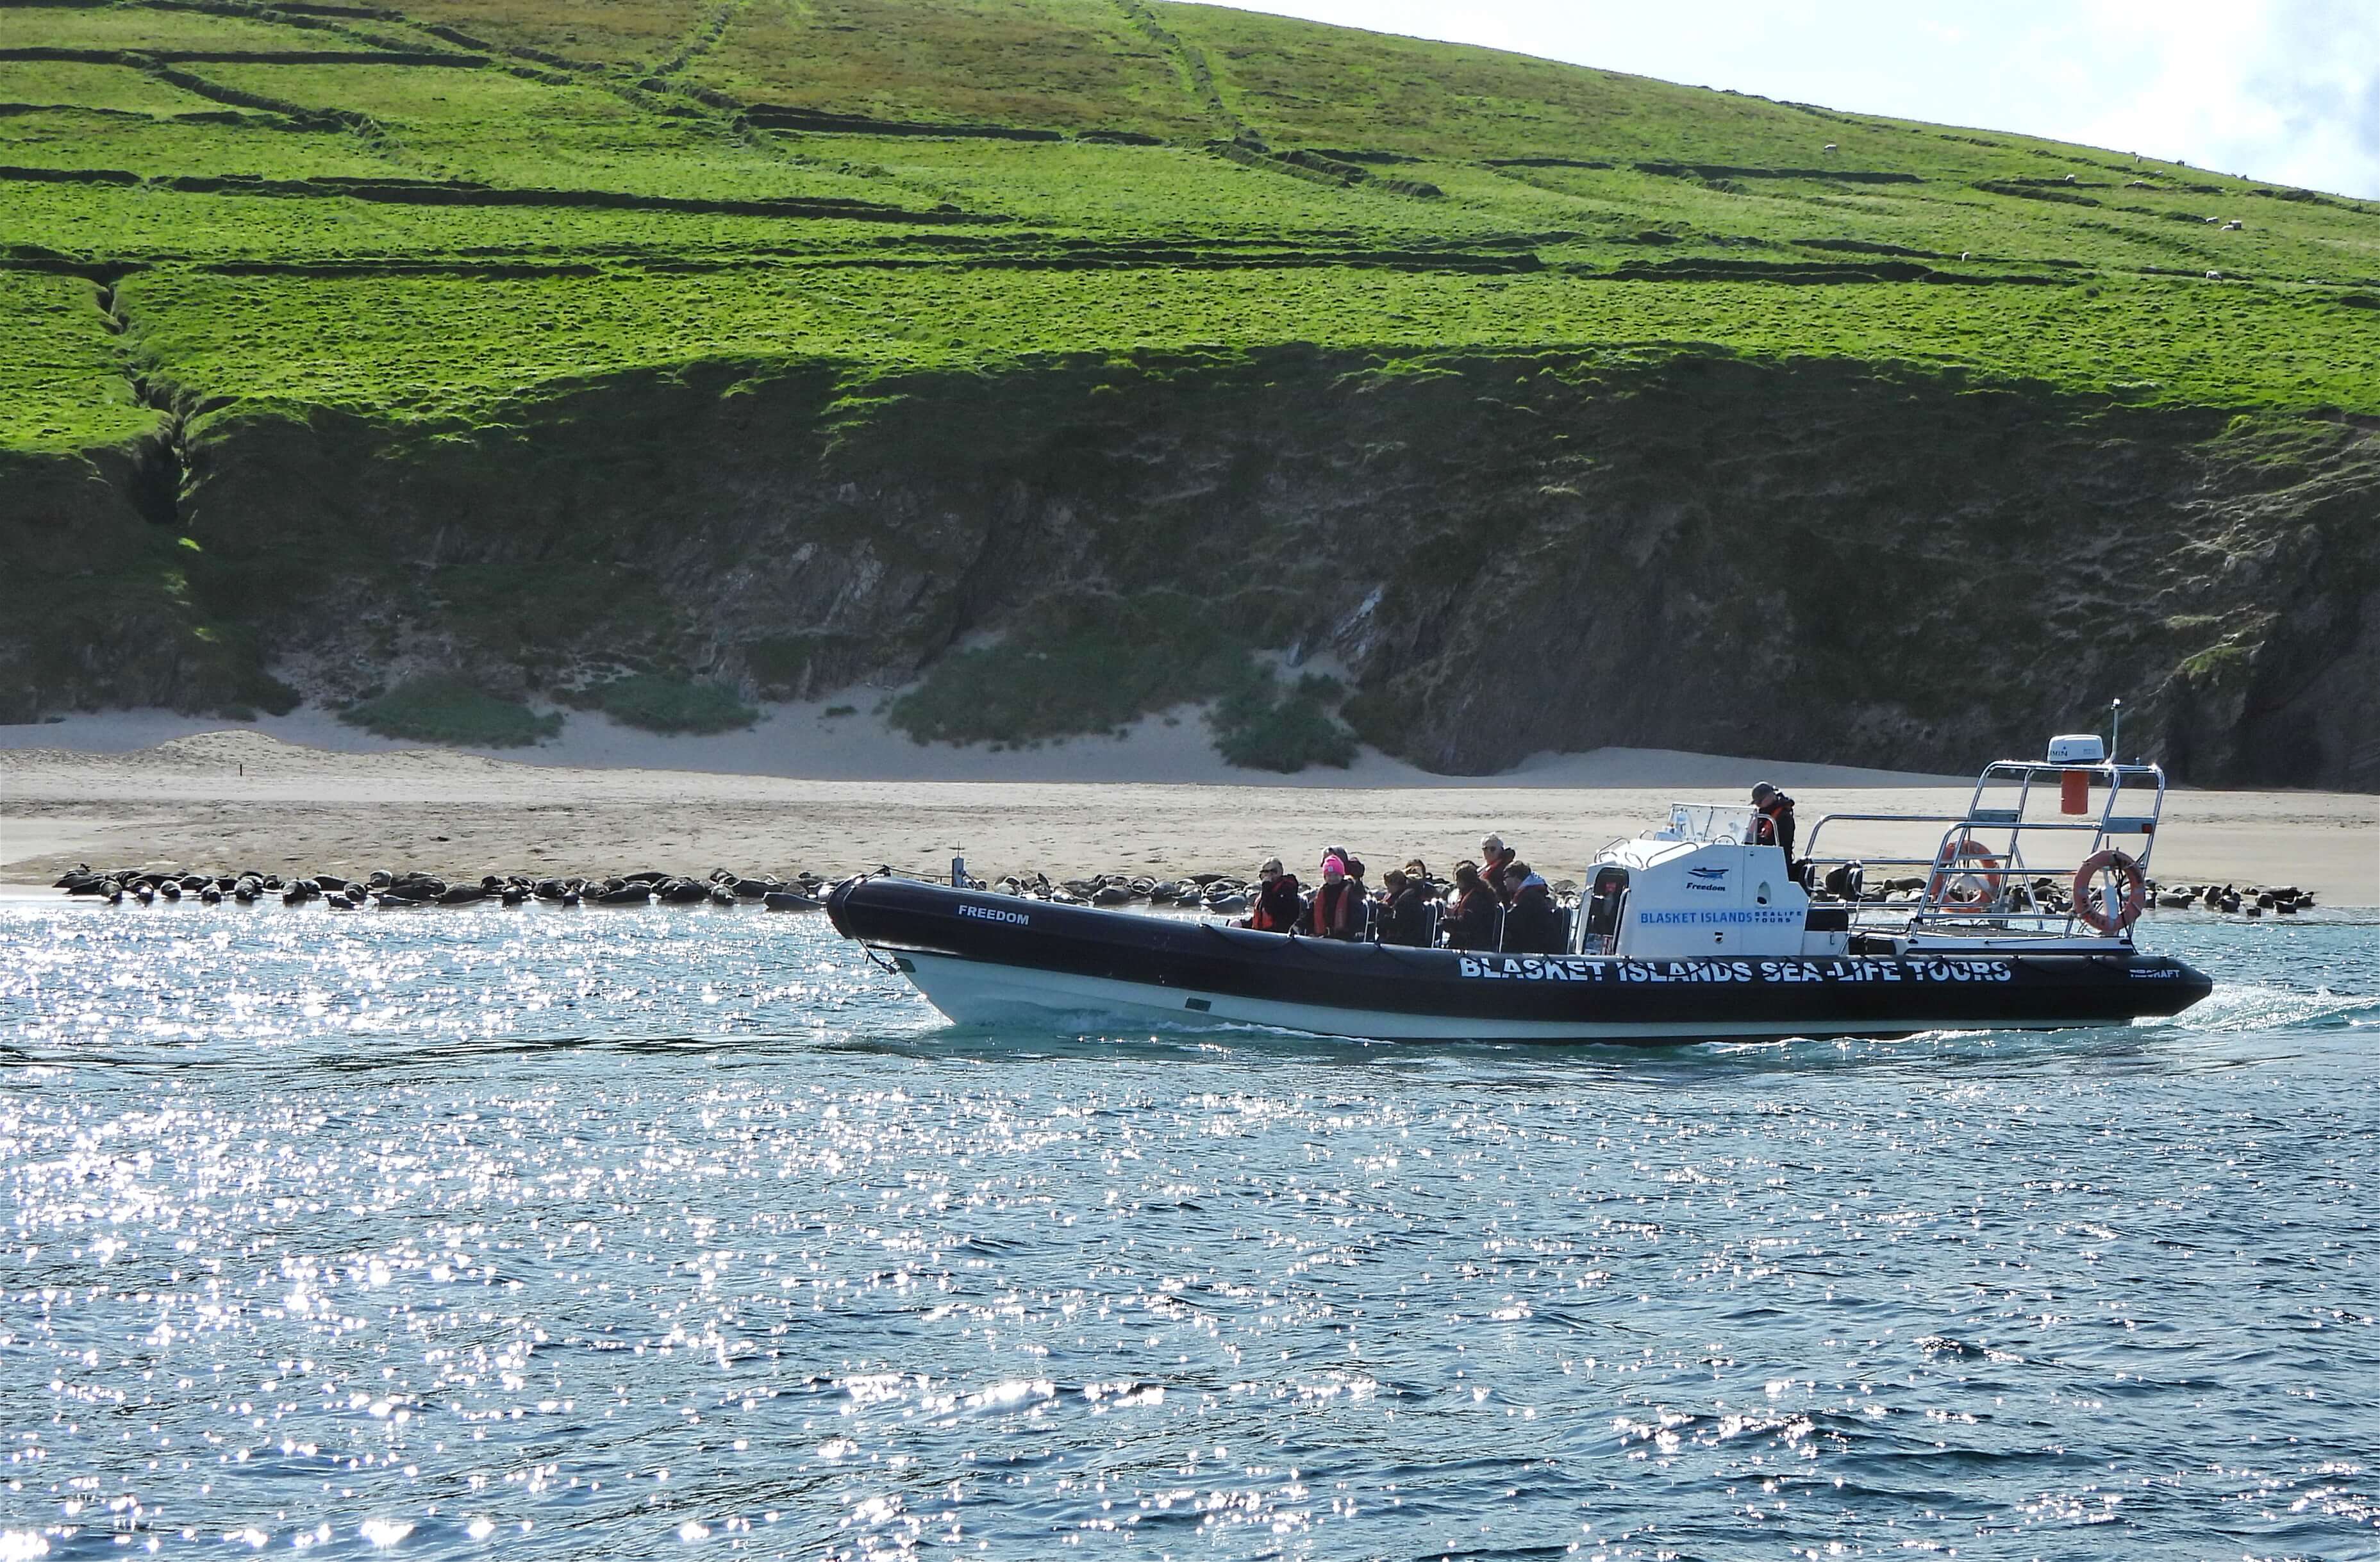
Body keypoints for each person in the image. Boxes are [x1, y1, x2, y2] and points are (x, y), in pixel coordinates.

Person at [1499, 861, 1566, 954]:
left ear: (1515, 878)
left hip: (1540, 950)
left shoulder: (1529, 897)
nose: (1504, 883)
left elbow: (1511, 921)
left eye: (1506, 878)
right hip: (1538, 945)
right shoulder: (1533, 893)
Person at [1439, 861, 1501, 950]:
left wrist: (1446, 922)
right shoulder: (1477, 893)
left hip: (1472, 943)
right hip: (1471, 939)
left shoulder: (1476, 899)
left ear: (1463, 881)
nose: (1456, 884)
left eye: (1457, 881)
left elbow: (1467, 923)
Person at [1302, 854, 1363, 940]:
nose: (1332, 878)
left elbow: (1357, 913)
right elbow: (1309, 914)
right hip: (1322, 937)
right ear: (1325, 877)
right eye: (1329, 875)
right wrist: (1303, 927)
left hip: (1343, 937)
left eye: (1336, 875)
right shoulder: (1322, 892)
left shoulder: (1350, 893)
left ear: (1342, 875)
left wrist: (1356, 930)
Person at [1377, 868, 1432, 947]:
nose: (1388, 890)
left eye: (1389, 887)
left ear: (1395, 884)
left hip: (1405, 941)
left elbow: (1399, 922)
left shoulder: (1404, 900)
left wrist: (1384, 916)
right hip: (1411, 939)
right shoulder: (1408, 896)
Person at [1247, 857, 1303, 933]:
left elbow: (1271, 909)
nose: (1269, 875)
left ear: (1281, 872)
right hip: (1262, 933)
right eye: (1265, 872)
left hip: (1279, 935)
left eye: (1273, 871)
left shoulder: (1287, 890)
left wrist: (1266, 885)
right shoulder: (1267, 891)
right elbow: (1259, 916)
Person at [1750, 781, 1798, 861]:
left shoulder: (1784, 817)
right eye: (1756, 803)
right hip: (1758, 857)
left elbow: (1777, 843)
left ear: (1771, 796)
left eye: (1760, 801)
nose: (1758, 805)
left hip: (1778, 862)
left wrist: (1756, 839)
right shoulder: (1762, 814)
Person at [1478, 833, 1518, 902]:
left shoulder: (1504, 869)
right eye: (1485, 849)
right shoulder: (1484, 867)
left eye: (1492, 849)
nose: (1488, 852)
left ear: (1501, 850)